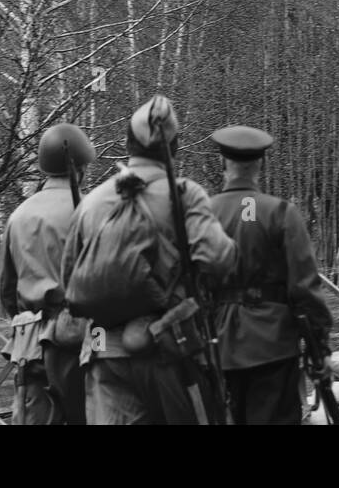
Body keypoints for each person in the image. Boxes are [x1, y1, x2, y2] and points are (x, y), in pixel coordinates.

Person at [61, 95, 234, 424]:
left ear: (128, 143)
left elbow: (69, 279)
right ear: (175, 146)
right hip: (171, 349)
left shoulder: (92, 202)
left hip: (104, 354)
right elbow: (219, 260)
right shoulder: (185, 194)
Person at [209, 125, 333, 425]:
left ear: (223, 164)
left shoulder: (204, 213)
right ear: (261, 164)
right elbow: (304, 287)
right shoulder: (280, 212)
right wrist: (320, 344)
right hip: (273, 345)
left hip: (217, 346)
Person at [0, 123, 94, 424]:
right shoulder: (93, 209)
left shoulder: (18, 216)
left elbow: (6, 288)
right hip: (81, 336)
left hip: (31, 341)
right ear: (80, 167)